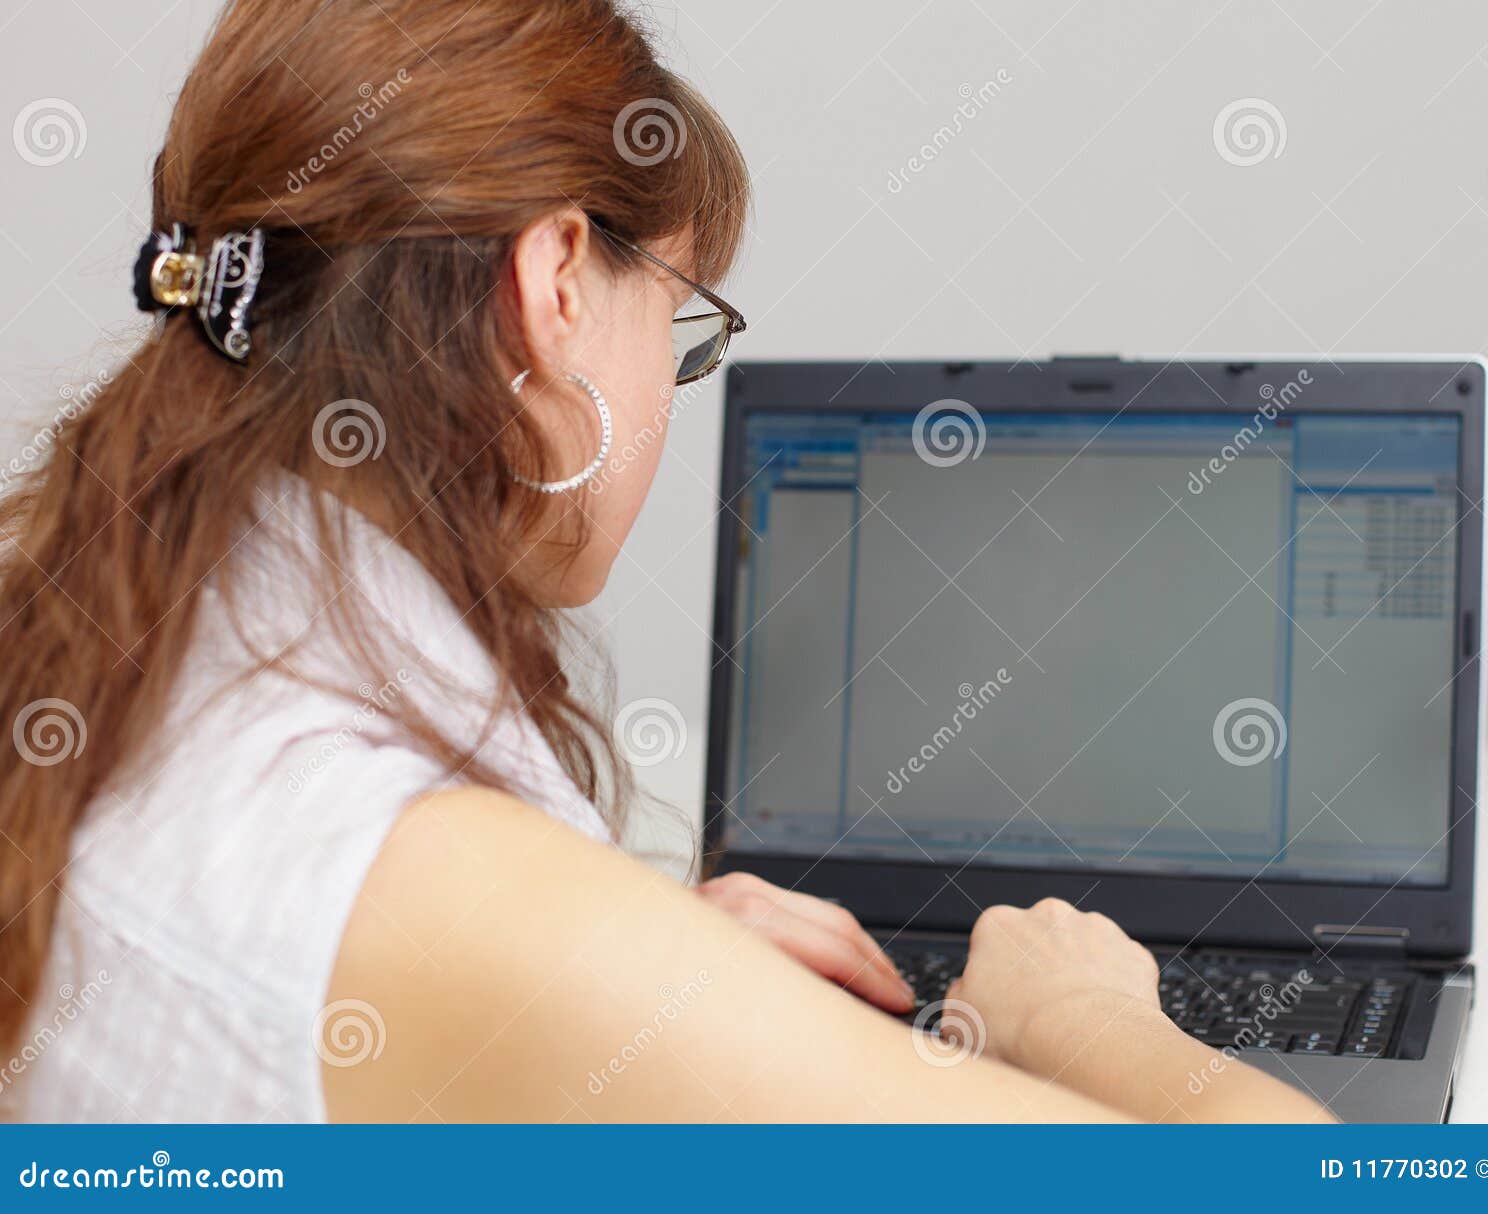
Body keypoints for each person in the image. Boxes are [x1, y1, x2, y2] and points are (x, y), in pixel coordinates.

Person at [0, 0, 1329, 1123]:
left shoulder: (101, 649)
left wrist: (656, 968)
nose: (676, 384)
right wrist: (1093, 1021)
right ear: (558, 283)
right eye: (681, 330)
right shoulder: (430, 890)